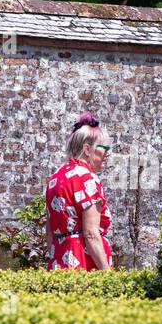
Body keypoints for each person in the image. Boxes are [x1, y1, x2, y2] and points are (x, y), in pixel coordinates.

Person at [46, 112, 113, 270]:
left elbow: (49, 232)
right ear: (87, 149)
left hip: (59, 258)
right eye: (104, 148)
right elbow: (91, 233)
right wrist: (109, 275)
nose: (108, 153)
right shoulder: (87, 179)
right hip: (84, 260)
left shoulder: (55, 178)